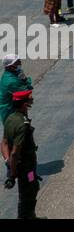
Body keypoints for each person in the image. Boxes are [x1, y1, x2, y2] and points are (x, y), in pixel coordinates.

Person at [2, 89, 39, 219]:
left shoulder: (10, 118)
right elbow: (14, 153)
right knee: (29, 191)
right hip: (26, 167)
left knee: (28, 191)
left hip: (20, 165)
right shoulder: (23, 125)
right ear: (24, 104)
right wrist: (12, 174)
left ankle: (30, 216)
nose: (32, 99)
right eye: (29, 98)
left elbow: (4, 143)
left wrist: (7, 163)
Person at [0, 56, 33, 124]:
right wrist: (26, 81)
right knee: (16, 129)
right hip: (10, 110)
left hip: (16, 107)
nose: (20, 63)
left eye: (19, 61)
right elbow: (26, 90)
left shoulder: (15, 73)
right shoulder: (10, 81)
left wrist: (25, 80)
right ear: (10, 66)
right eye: (17, 62)